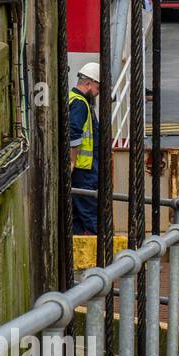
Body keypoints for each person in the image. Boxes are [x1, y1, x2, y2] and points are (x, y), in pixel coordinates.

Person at [69, 62, 102, 235]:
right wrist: (72, 160)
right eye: (97, 87)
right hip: (83, 170)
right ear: (88, 84)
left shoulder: (74, 100)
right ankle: (101, 256)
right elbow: (73, 132)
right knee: (90, 214)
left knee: (77, 216)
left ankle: (78, 256)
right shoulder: (80, 104)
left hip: (84, 169)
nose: (97, 93)